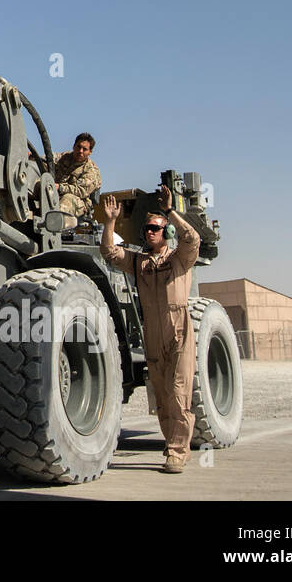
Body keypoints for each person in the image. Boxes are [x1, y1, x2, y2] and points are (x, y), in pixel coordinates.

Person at [100, 185, 201, 473]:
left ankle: (177, 451)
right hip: (153, 331)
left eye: (156, 228)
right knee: (161, 394)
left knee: (179, 392)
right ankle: (172, 443)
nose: (150, 232)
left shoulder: (179, 259)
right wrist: (109, 222)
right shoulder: (140, 261)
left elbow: (192, 238)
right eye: (147, 229)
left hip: (179, 328)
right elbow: (109, 252)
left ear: (166, 232)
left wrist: (170, 212)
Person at [53, 133, 101, 216]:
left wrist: (59, 187)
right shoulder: (65, 157)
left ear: (90, 152)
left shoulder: (91, 170)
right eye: (78, 147)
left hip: (79, 202)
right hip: (56, 193)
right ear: (74, 146)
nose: (80, 151)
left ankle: (54, 224)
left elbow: (80, 191)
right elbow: (50, 158)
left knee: (67, 199)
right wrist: (34, 157)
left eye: (84, 149)